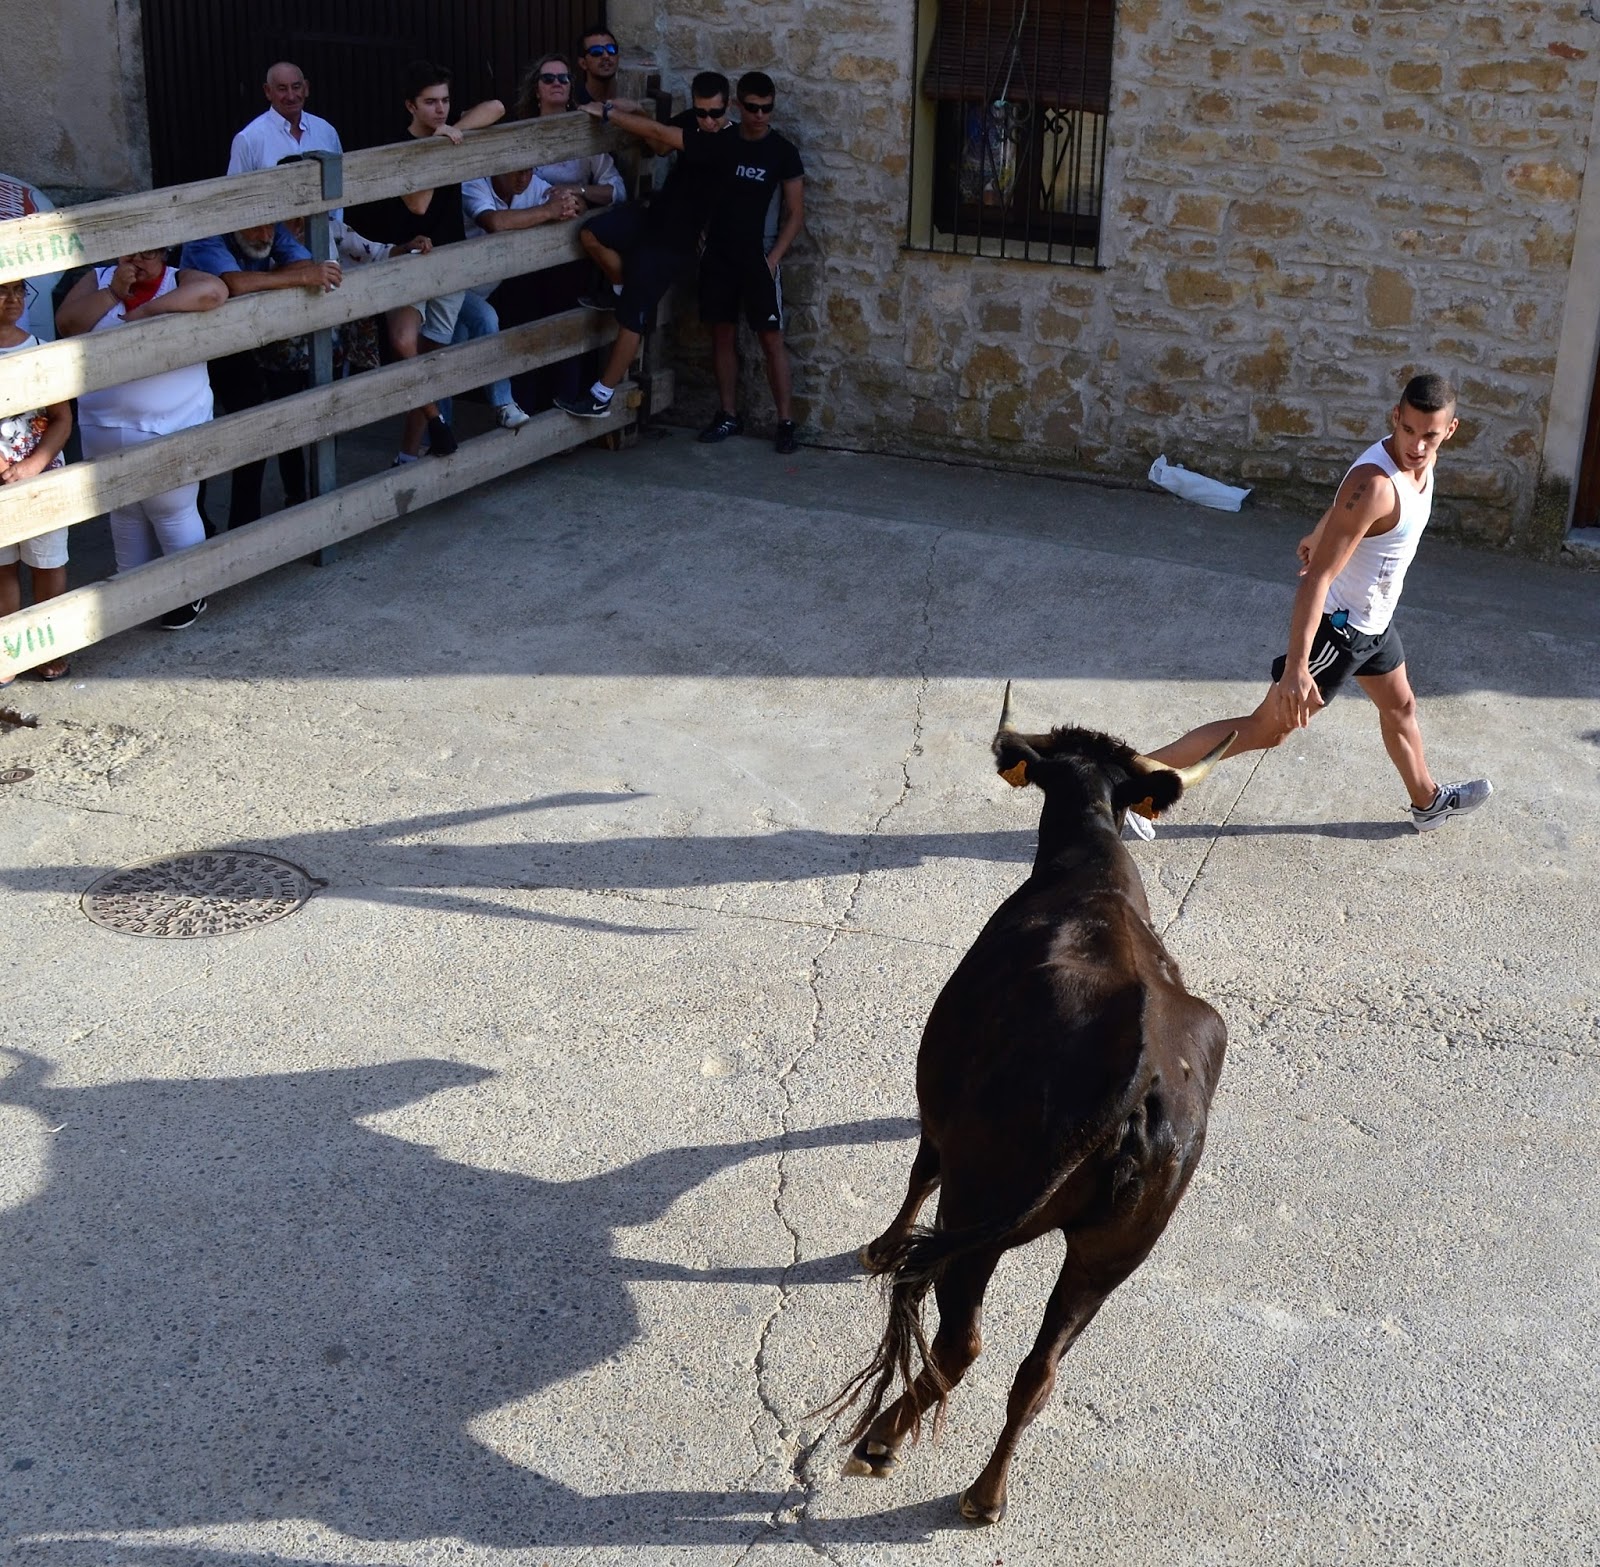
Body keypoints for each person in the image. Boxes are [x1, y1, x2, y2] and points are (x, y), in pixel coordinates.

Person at [1144, 373, 1493, 835]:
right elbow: (1316, 579)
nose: (1417, 445)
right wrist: (1296, 669)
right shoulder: (1377, 484)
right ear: (1396, 418)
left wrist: (1320, 527)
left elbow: (1345, 509)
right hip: (1340, 629)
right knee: (1265, 729)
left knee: (1401, 707)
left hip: (1375, 624)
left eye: (1430, 435)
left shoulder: (1419, 464)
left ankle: (1427, 802)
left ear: (1450, 430)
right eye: (1408, 431)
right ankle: (1136, 784)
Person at [55, 249, 227, 629]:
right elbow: (67, 324)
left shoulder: (179, 279)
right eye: (130, 255)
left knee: (173, 510)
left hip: (169, 424)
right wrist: (114, 294)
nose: (138, 263)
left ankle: (186, 593)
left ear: (163, 255)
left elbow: (214, 293)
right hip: (101, 423)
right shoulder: (98, 280)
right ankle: (134, 594)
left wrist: (146, 313)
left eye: (148, 256)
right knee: (125, 511)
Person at [555, 72, 734, 426]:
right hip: (652, 219)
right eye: (702, 113)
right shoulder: (693, 124)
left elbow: (657, 135)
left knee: (632, 320)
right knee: (591, 233)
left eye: (716, 113)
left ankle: (600, 397)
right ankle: (621, 288)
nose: (709, 121)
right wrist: (636, 108)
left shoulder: (729, 141)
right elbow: (661, 145)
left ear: (728, 106)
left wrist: (607, 113)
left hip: (674, 244)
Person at [370, 61, 505, 464]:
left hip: (449, 263)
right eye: (430, 103)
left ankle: (408, 455)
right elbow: (419, 203)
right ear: (410, 105)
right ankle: (436, 420)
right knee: (403, 343)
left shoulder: (449, 131)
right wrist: (435, 148)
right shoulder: (399, 144)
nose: (440, 110)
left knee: (430, 359)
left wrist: (454, 129)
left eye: (445, 101)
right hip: (408, 262)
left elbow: (497, 106)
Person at [177, 222, 341, 526]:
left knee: (253, 425)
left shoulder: (269, 228)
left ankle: (243, 523)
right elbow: (236, 284)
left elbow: (304, 263)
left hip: (234, 345)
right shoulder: (205, 236)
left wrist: (269, 278)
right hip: (190, 349)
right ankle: (198, 524)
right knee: (194, 432)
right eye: (255, 230)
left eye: (270, 229)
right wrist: (298, 277)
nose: (266, 237)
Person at [690, 71, 806, 455]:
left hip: (759, 257)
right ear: (738, 105)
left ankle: (785, 421)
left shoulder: (783, 151)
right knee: (721, 334)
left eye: (767, 108)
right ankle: (728, 414)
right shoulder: (723, 143)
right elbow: (700, 183)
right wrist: (702, 236)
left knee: (771, 339)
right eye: (753, 107)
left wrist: (773, 259)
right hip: (720, 256)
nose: (760, 115)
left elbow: (795, 213)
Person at [460, 167, 586, 421]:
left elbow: (575, 205)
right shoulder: (474, 183)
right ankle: (501, 407)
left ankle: (507, 407)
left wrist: (570, 199)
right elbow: (495, 222)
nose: (522, 179)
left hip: (488, 288)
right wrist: (549, 211)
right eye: (515, 172)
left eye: (528, 172)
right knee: (449, 354)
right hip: (455, 289)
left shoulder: (532, 185)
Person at [0, 276, 72, 681]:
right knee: (2, 565)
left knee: (47, 560)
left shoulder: (41, 351)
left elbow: (62, 417)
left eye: (18, 291)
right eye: (1, 291)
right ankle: (8, 649)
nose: (11, 299)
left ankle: (48, 645)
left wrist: (32, 465)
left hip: (40, 473)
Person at [227, 61, 342, 173]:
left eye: (296, 87)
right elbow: (235, 190)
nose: (291, 96)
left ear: (306, 88)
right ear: (268, 91)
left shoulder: (326, 131)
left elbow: (342, 179)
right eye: (282, 89)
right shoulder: (248, 140)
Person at [573, 26, 628, 107]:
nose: (606, 56)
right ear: (583, 63)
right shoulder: (574, 102)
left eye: (611, 49)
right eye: (596, 51)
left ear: (618, 57)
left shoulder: (630, 94)